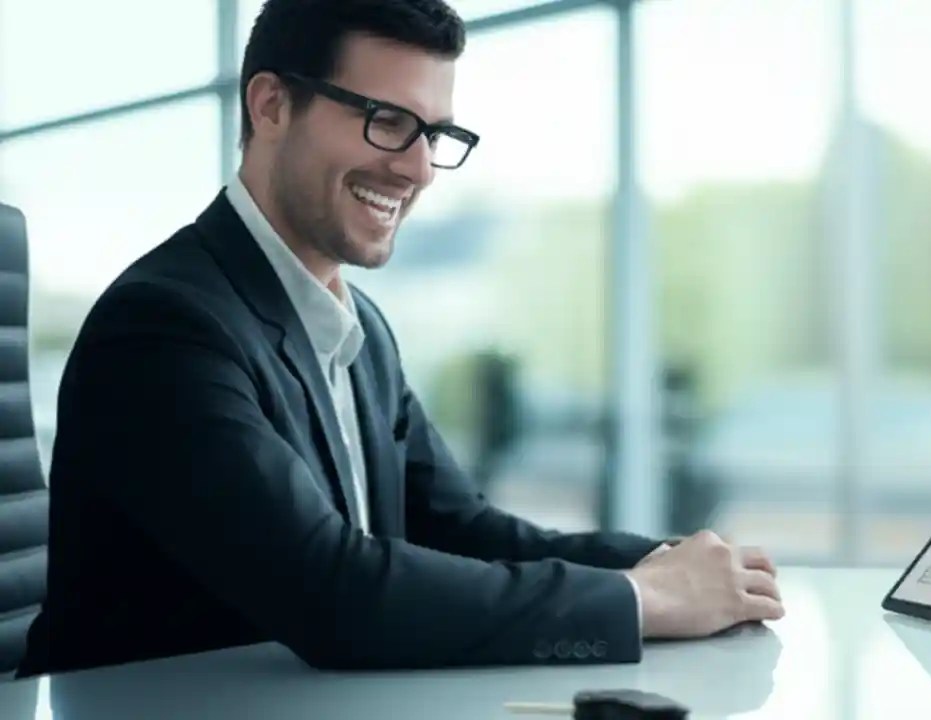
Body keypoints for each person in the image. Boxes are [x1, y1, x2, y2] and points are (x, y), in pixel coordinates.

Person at [17, 0, 783, 678]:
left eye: (436, 133)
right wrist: (638, 600)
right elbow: (332, 594)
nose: (417, 167)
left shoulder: (362, 331)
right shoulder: (167, 327)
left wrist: (666, 564)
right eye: (387, 121)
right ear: (272, 104)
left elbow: (467, 534)